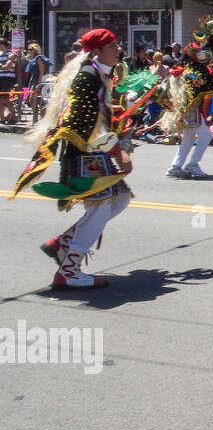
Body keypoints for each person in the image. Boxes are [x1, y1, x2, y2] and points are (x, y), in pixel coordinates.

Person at [9, 28, 134, 289]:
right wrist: (117, 150)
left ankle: (63, 243)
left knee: (119, 199)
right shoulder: (89, 75)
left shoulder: (96, 73)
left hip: (94, 153)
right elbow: (82, 122)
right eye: (112, 46)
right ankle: (69, 271)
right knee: (100, 207)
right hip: (86, 154)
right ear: (97, 51)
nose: (118, 50)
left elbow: (94, 116)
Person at [163, 18, 213, 179]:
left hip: (189, 105)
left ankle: (175, 166)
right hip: (190, 105)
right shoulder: (191, 60)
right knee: (205, 135)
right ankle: (192, 164)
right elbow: (202, 76)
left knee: (189, 138)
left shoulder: (190, 64)